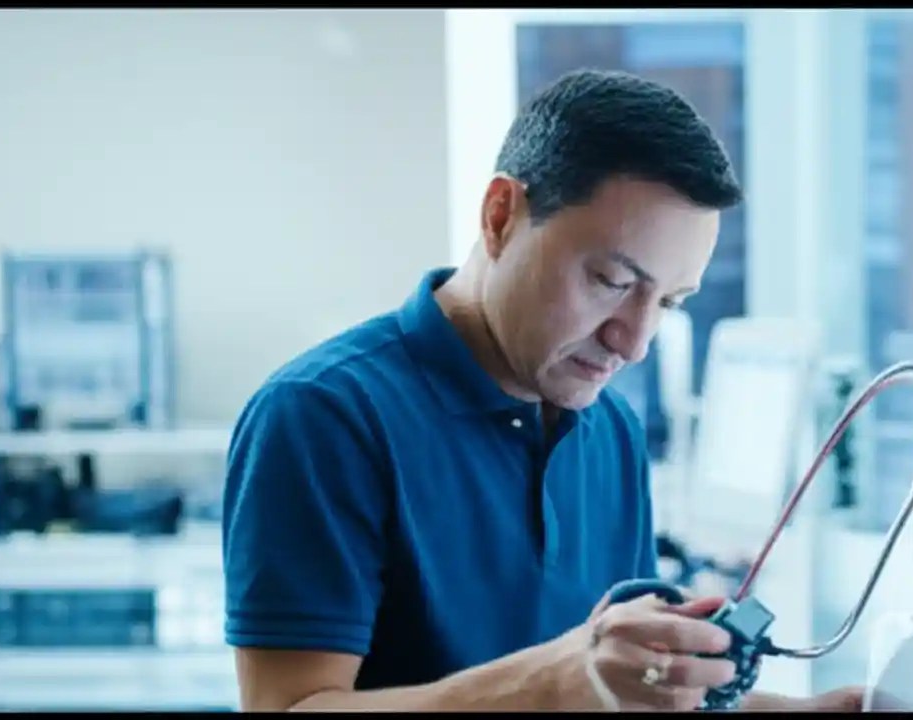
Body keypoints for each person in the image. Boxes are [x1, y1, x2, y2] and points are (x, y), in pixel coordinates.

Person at [221, 68, 865, 712]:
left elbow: (632, 693)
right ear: (501, 216)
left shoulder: (610, 427)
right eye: (612, 281)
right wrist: (558, 680)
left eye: (667, 302)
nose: (633, 342)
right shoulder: (322, 414)